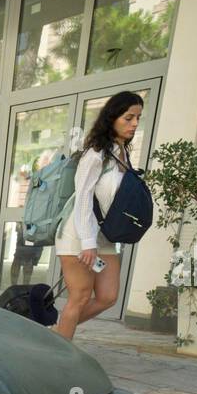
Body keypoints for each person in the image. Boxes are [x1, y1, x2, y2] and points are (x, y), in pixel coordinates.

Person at [52, 91, 143, 341]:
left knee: (108, 296)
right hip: (78, 236)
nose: (134, 124)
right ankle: (61, 356)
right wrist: (88, 242)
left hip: (104, 237)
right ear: (112, 118)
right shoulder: (95, 154)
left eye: (137, 118)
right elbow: (82, 198)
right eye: (128, 118)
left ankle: (57, 334)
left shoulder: (122, 153)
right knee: (80, 296)